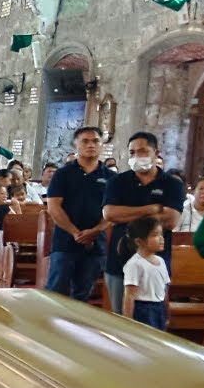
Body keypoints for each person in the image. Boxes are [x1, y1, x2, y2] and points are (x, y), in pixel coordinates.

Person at [101, 132, 184, 313]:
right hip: (120, 259)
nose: (137, 156)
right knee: (121, 317)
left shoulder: (172, 184)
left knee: (151, 317)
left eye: (142, 151)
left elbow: (170, 220)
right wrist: (152, 209)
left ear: (156, 152)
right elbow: (110, 214)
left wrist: (127, 214)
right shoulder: (117, 182)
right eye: (132, 152)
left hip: (156, 261)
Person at [45, 127, 113, 301]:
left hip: (95, 244)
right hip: (65, 242)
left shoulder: (112, 177)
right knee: (56, 292)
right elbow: (54, 208)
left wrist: (96, 230)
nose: (91, 145)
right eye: (85, 141)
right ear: (76, 145)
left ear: (102, 145)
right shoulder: (63, 174)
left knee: (82, 295)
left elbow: (113, 210)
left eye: (96, 141)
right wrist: (75, 233)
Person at [120, 217, 170, 330]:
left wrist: (167, 312)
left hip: (159, 307)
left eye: (161, 234)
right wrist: (127, 323)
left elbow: (165, 290)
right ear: (139, 241)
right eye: (155, 235)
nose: (161, 239)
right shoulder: (134, 264)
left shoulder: (161, 261)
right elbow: (129, 295)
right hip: (143, 310)